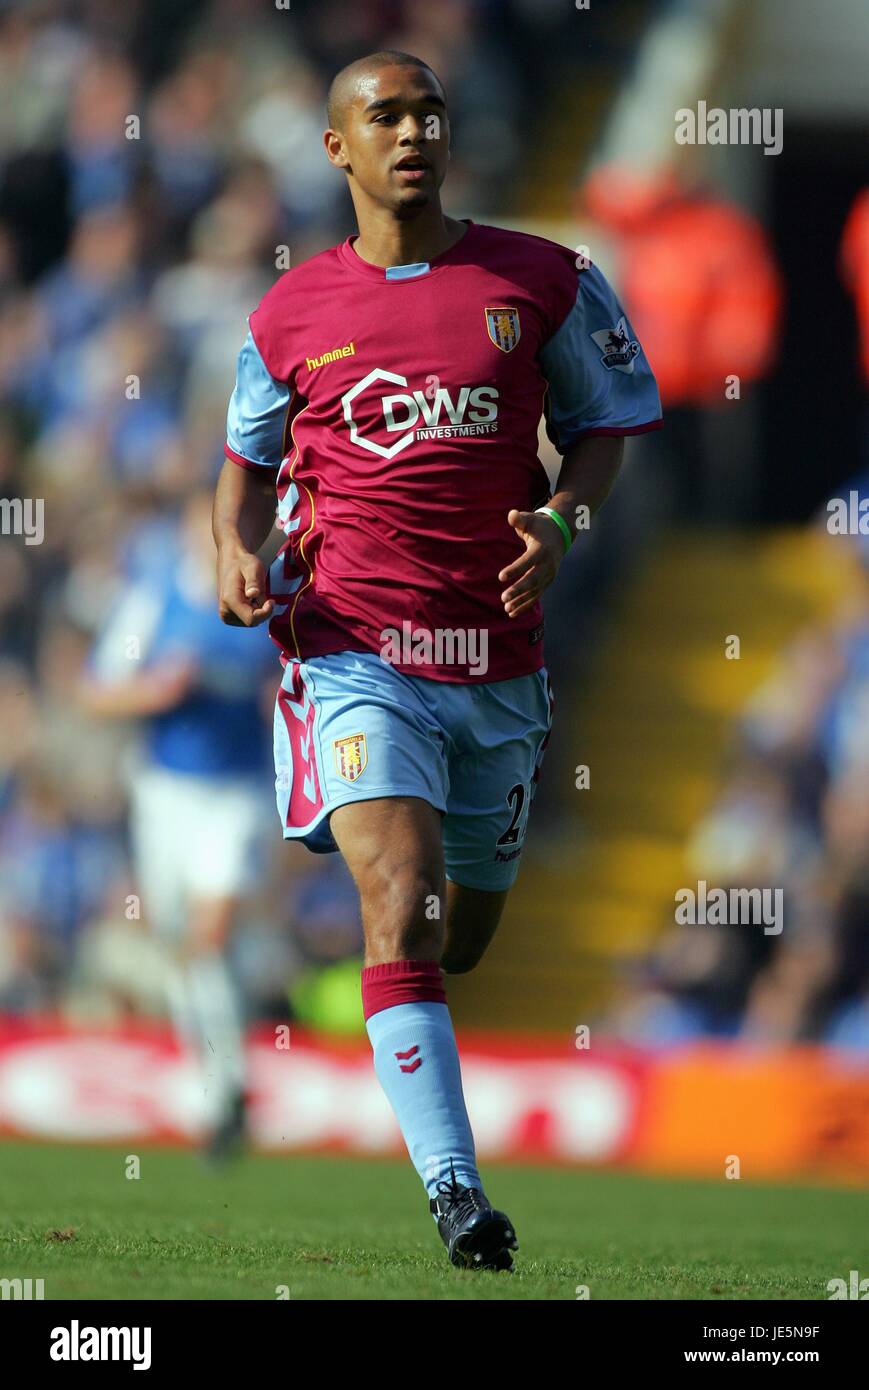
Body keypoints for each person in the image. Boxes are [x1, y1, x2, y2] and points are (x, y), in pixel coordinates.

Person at [212, 50, 662, 1269]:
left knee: (460, 933)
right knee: (396, 903)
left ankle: (432, 1034)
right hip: (353, 646)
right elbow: (244, 461)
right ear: (335, 148)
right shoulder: (288, 312)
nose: (412, 132)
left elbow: (610, 427)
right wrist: (232, 553)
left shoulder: (545, 281)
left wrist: (561, 523)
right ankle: (458, 1196)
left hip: (496, 665)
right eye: (384, 116)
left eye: (428, 112)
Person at [80, 490, 277, 1158]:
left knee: (209, 934)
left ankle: (225, 1090)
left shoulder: (266, 599)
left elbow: (291, 692)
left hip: (238, 793)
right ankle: (218, 1086)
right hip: (164, 792)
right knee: (180, 946)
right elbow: (97, 690)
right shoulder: (152, 598)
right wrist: (156, 691)